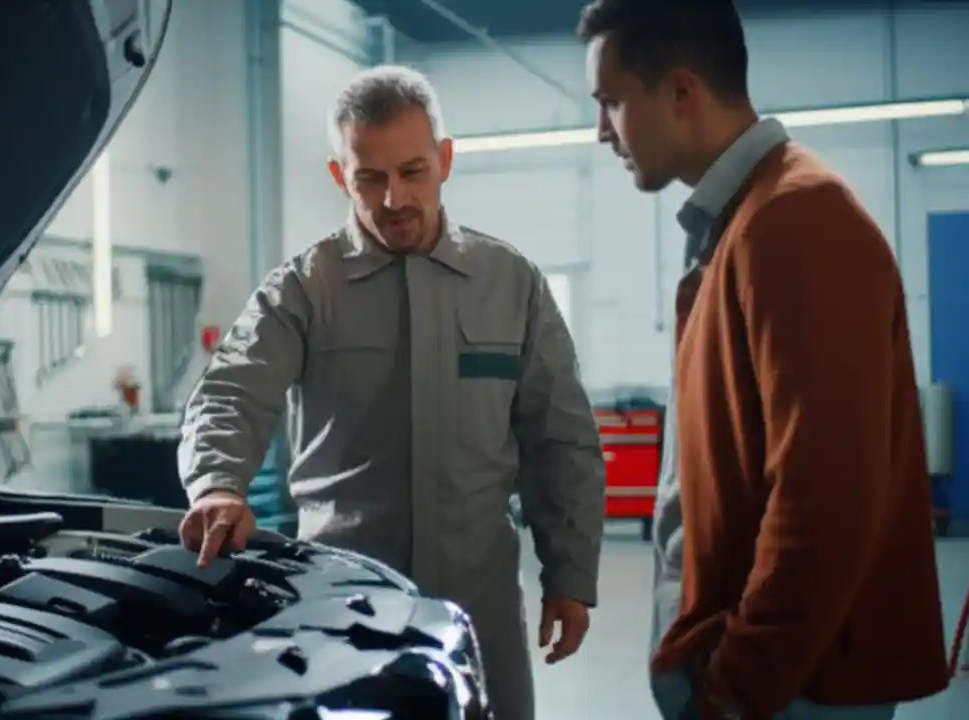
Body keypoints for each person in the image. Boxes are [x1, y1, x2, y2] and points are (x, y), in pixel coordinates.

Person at [175, 65, 607, 720]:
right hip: (342, 600)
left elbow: (561, 439)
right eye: (368, 178)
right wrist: (217, 484)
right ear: (338, 176)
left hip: (479, 606)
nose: (392, 199)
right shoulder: (304, 289)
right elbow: (231, 389)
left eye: (413, 172)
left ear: (445, 160)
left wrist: (570, 577)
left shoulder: (510, 281)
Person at [576, 1, 950, 718]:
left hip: (795, 688)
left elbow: (825, 500)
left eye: (612, 103)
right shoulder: (744, 218)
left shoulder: (797, 219)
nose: (601, 132)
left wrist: (735, 692)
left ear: (681, 92)